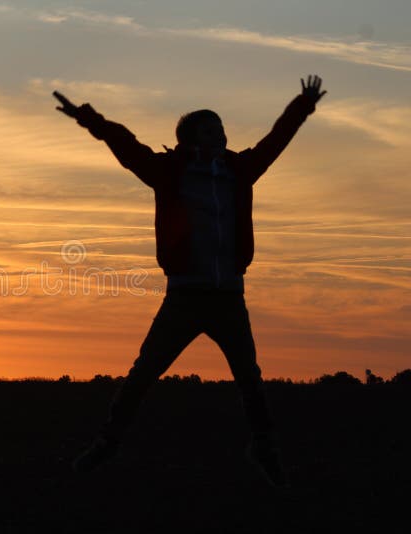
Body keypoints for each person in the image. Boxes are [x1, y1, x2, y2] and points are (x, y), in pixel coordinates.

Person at [54, 75, 327, 487]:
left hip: (229, 297)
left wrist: (302, 106)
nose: (220, 134)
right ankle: (107, 444)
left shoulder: (239, 171)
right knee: (143, 374)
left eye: (221, 127)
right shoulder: (168, 172)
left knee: (250, 379)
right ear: (188, 139)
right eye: (210, 128)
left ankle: (264, 449)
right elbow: (126, 146)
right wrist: (88, 118)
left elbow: (276, 140)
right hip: (184, 297)